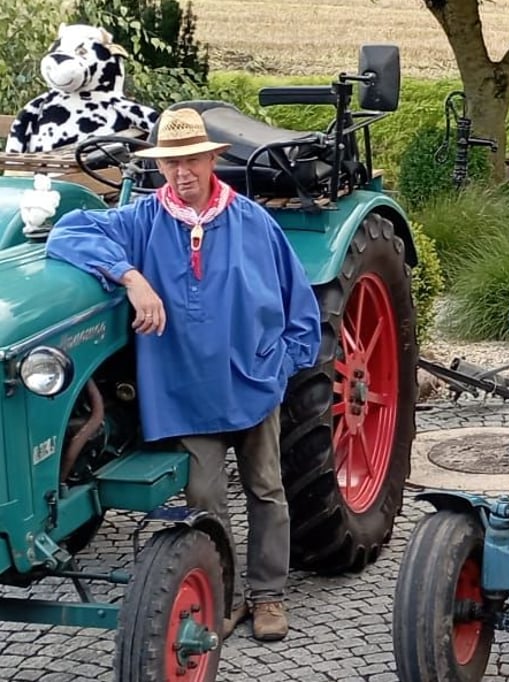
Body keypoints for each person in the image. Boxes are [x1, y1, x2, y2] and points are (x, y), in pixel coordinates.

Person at [46, 107, 322, 642]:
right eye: (171, 163)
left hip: (254, 383)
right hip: (186, 393)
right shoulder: (141, 220)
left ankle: (268, 597)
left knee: (267, 489)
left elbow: (301, 309)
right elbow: (68, 232)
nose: (182, 173)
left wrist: (279, 367)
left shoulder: (253, 221)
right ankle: (221, 597)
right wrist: (131, 278)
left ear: (211, 159)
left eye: (191, 159)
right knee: (203, 500)